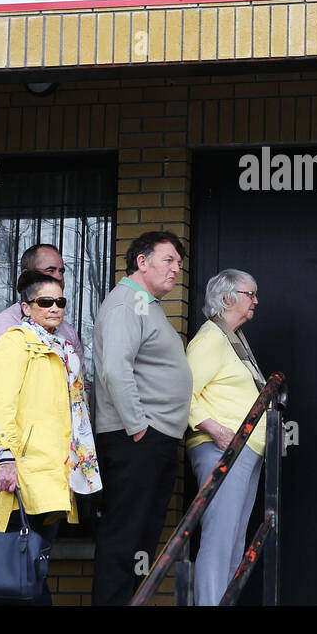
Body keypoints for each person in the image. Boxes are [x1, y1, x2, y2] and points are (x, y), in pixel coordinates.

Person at [91, 230, 191, 606]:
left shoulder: (146, 305)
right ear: (142, 262)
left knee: (141, 538)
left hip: (153, 437)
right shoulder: (126, 305)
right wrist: (138, 428)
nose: (176, 270)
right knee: (125, 536)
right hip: (136, 438)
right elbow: (116, 369)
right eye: (168, 260)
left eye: (179, 264)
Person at [0, 270, 100, 606]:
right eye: (45, 301)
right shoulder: (14, 341)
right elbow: (0, 404)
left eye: (60, 301)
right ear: (26, 307)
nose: (54, 308)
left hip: (55, 472)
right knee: (15, 574)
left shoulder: (65, 348)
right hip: (22, 471)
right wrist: (5, 457)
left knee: (35, 569)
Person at [185, 269, 266, 606]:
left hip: (244, 451)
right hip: (223, 450)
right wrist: (216, 429)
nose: (256, 301)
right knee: (220, 541)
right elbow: (182, 393)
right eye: (251, 294)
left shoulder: (233, 339)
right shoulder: (211, 338)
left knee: (233, 542)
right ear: (229, 297)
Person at [0, 243, 81, 351]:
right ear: (27, 275)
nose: (59, 277)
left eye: (61, 271)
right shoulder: (7, 324)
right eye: (50, 270)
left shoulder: (68, 331)